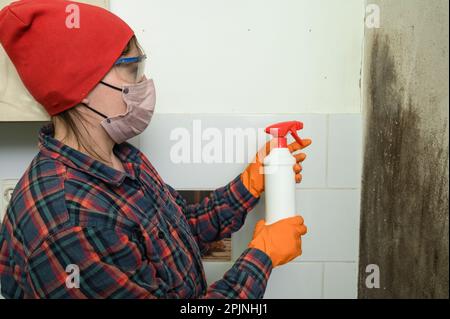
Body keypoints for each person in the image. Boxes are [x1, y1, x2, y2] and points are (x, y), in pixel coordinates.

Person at [0, 0, 311, 299]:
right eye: (132, 69)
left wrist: (249, 183)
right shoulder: (73, 225)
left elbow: (183, 227)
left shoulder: (122, 158)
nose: (144, 83)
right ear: (81, 88)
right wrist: (262, 256)